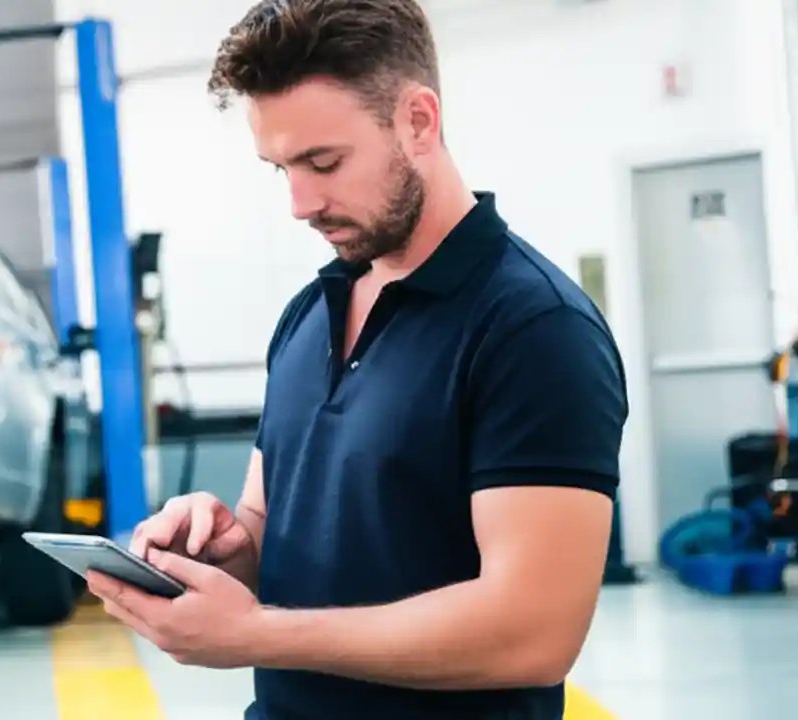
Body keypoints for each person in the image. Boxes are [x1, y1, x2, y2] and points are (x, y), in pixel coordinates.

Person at [84, 1, 629, 718]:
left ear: (418, 121)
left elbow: (531, 635)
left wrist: (258, 635)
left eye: (323, 162)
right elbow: (266, 520)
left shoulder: (534, 330)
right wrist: (220, 543)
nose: (300, 203)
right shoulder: (311, 316)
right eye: (280, 168)